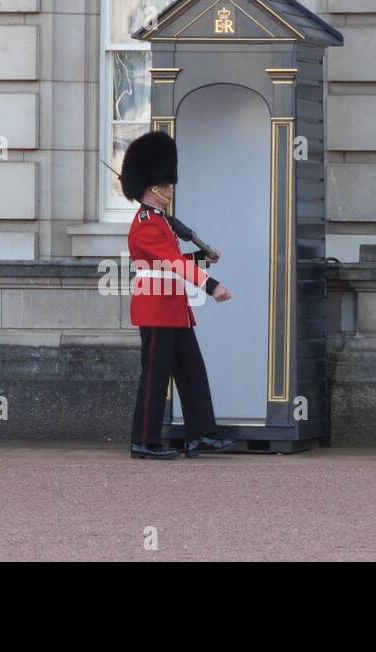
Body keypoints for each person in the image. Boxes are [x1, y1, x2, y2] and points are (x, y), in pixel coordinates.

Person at [120, 131, 236, 461]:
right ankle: (143, 440)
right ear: (150, 185)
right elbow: (169, 263)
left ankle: (200, 434)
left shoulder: (159, 222)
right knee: (155, 378)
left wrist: (202, 258)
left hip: (173, 308)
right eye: (166, 184)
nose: (171, 188)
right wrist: (211, 285)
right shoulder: (146, 223)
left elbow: (172, 261)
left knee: (192, 372)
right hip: (156, 308)